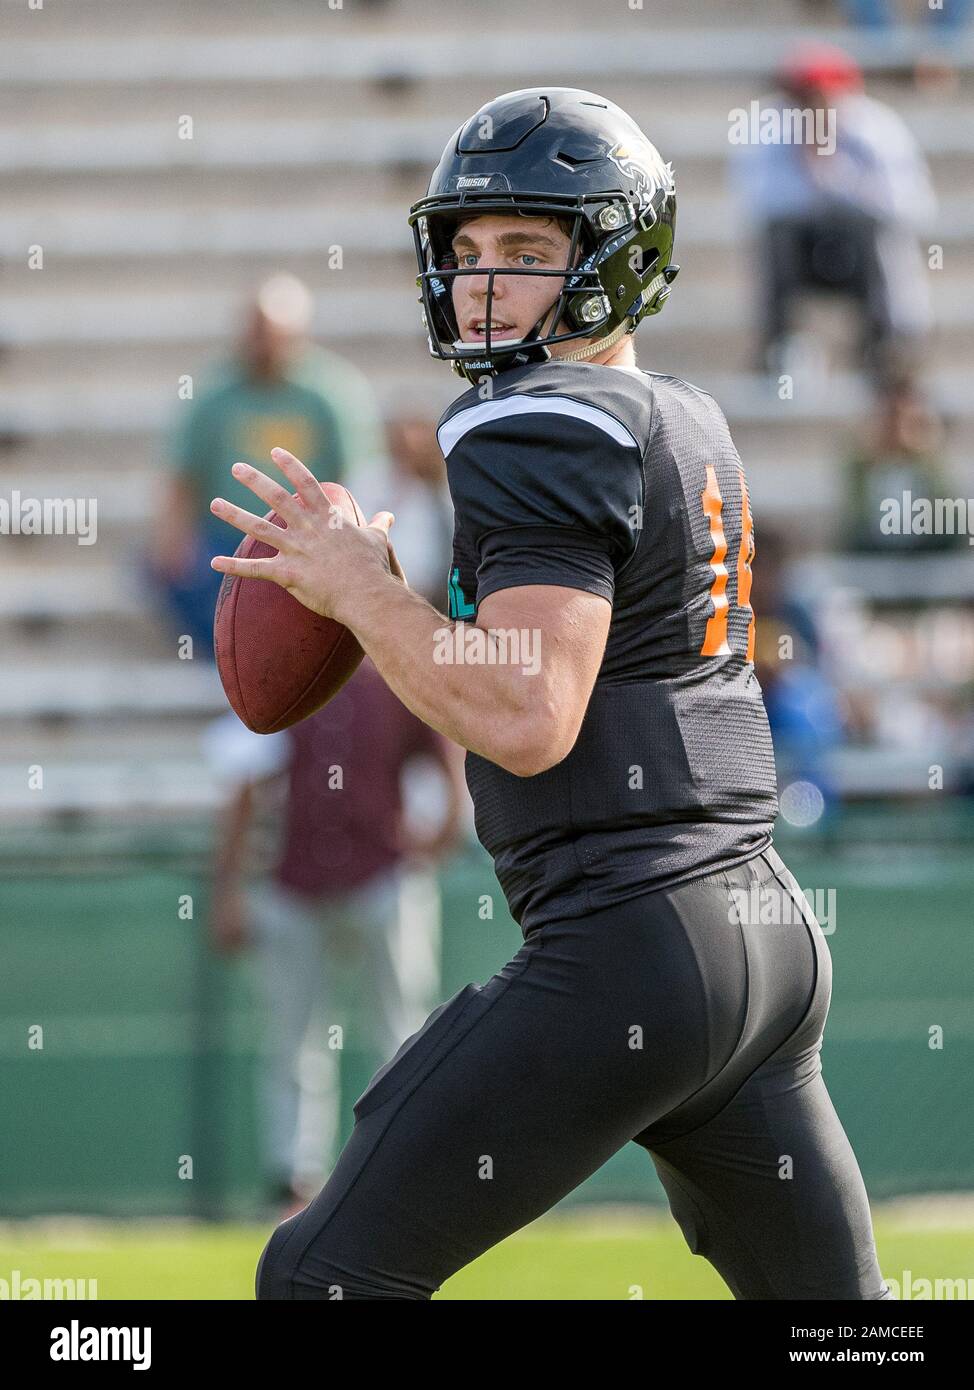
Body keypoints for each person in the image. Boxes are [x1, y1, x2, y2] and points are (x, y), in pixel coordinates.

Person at [209, 88, 893, 1300]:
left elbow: (529, 716)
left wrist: (370, 599)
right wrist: (394, 592)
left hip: (630, 942)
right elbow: (582, 637)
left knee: (319, 1278)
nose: (483, 285)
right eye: (465, 252)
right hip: (761, 939)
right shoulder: (674, 412)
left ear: (614, 260)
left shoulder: (527, 422)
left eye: (527, 252)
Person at [204, 657, 467, 1216]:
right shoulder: (284, 682)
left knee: (401, 1030)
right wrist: (228, 890)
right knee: (294, 1038)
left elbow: (447, 760)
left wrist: (435, 840)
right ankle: (294, 1181)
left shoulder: (400, 677)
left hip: (381, 878)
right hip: (293, 883)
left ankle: (402, 1169)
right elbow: (244, 791)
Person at [144, 272, 387, 660]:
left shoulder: (331, 392)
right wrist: (173, 538)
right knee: (151, 568)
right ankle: (227, 655)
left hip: (304, 537)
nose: (261, 343)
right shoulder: (215, 392)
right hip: (224, 540)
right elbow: (182, 473)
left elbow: (358, 477)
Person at [731, 45, 937, 386]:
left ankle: (885, 347)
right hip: (801, 250)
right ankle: (779, 348)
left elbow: (910, 205)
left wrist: (835, 178)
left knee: (872, 234)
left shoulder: (877, 129)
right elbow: (756, 204)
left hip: (859, 252)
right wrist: (809, 165)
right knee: (776, 237)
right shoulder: (769, 129)